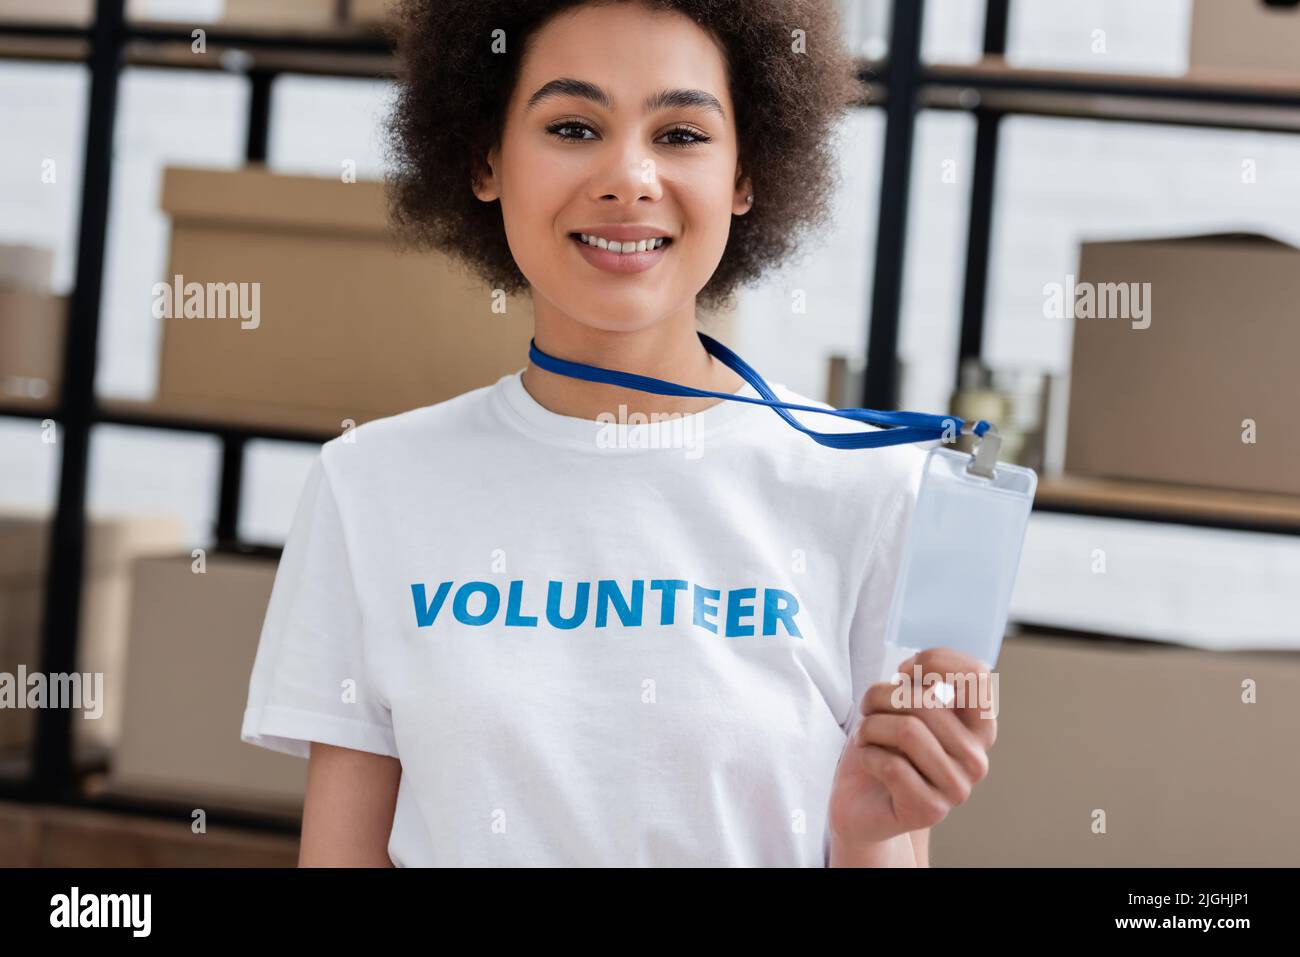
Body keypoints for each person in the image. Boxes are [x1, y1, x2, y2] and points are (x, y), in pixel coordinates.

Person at [241, 0, 996, 867]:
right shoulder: (368, 483)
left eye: (680, 134)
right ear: (487, 157)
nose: (629, 176)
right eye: (572, 125)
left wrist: (866, 835)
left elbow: (893, 844)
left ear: (746, 174)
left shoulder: (874, 490)